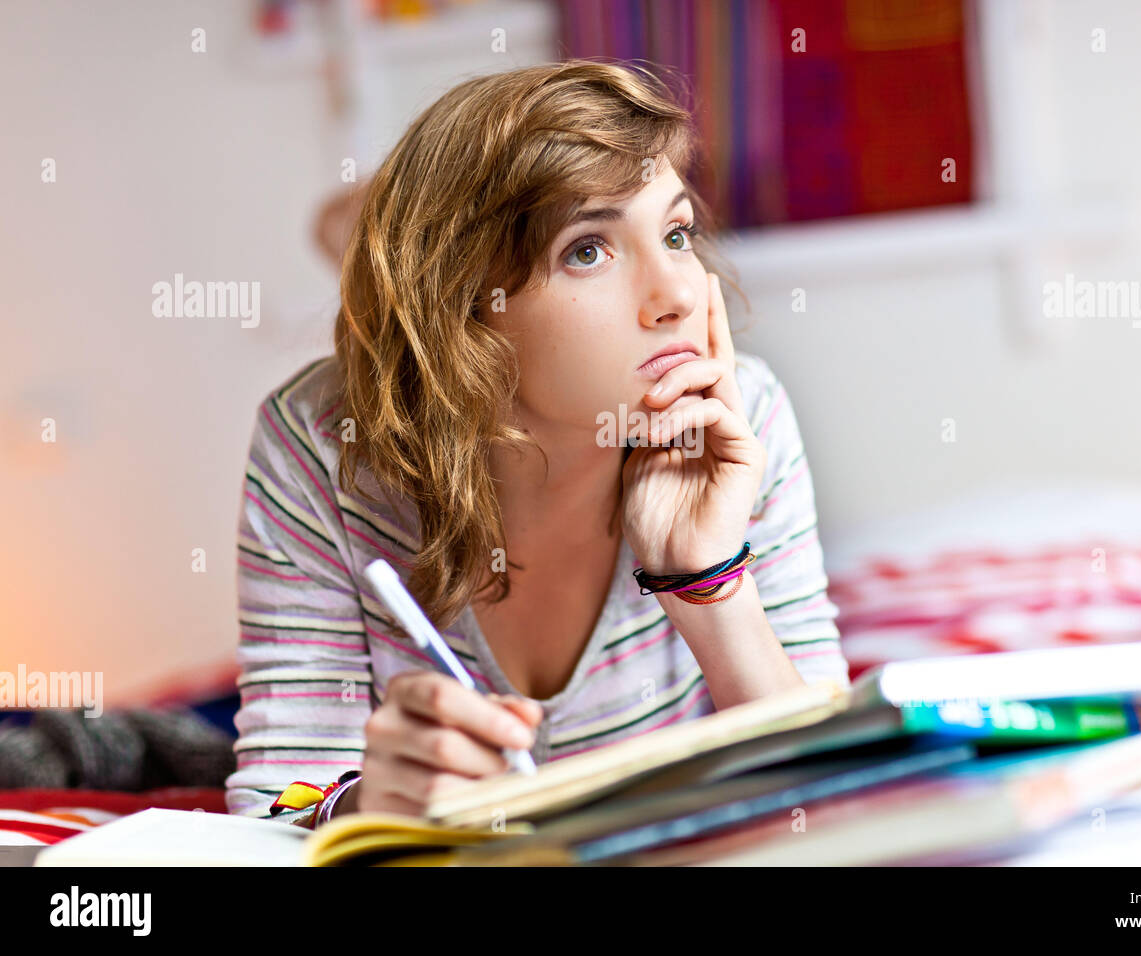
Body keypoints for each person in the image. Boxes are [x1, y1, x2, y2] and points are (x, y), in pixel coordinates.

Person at [226, 59, 849, 827]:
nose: (680, 294)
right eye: (587, 249)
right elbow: (276, 806)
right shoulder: (321, 446)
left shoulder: (741, 417)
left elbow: (837, 803)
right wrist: (364, 807)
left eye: (677, 233)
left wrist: (709, 581)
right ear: (462, 312)